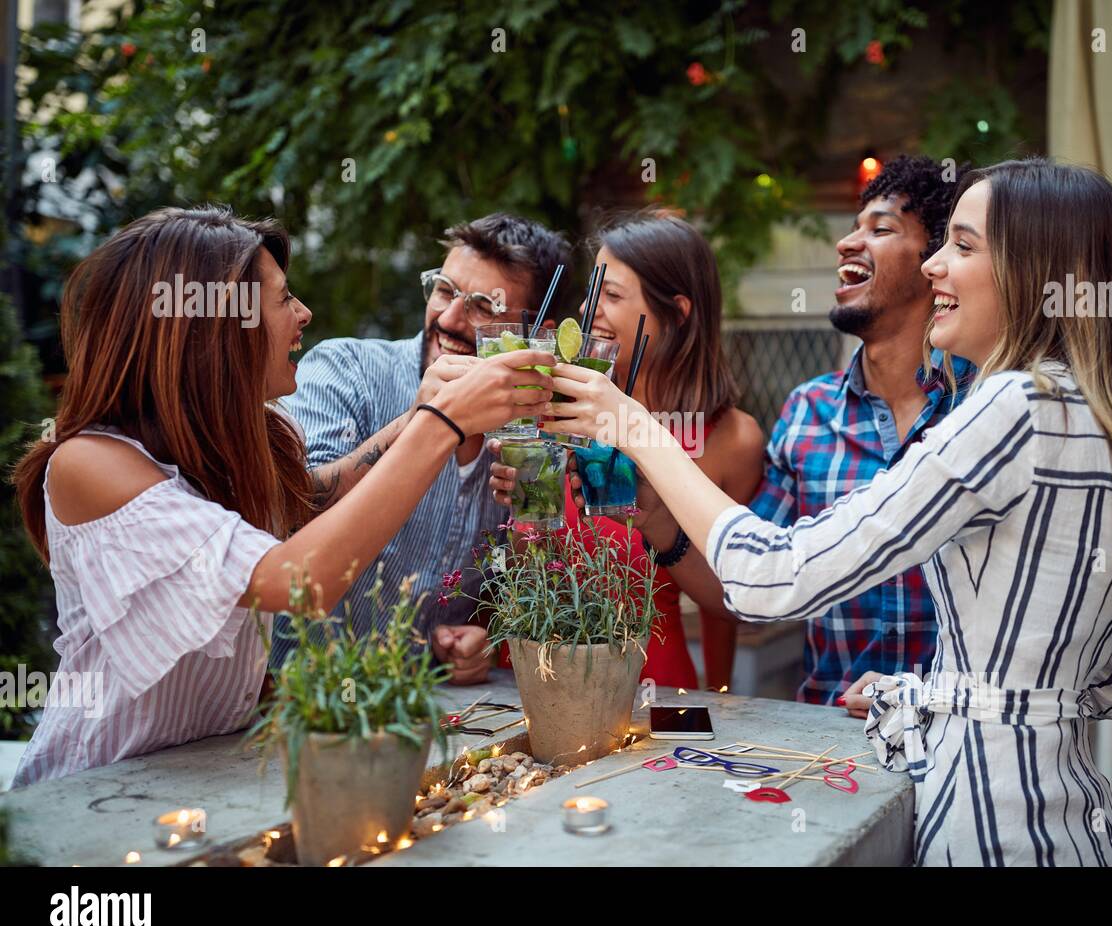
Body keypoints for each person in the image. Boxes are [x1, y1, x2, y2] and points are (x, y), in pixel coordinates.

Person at [541, 158, 1112, 865]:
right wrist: (943, 692)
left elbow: (772, 575)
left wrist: (635, 427)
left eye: (964, 246)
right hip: (1076, 823)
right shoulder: (1107, 416)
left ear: (1034, 273)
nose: (938, 266)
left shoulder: (1011, 407)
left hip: (992, 828)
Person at [10, 206, 552, 786]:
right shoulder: (89, 464)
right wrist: (439, 423)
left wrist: (431, 422)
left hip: (206, 780)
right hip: (93, 794)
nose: (304, 314)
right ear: (214, 326)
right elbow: (301, 581)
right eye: (283, 299)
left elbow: (309, 504)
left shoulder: (247, 444)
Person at [270, 214, 572, 683]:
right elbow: (294, 512)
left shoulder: (535, 436)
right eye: (446, 290)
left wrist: (480, 637)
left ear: (538, 332)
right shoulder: (346, 367)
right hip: (307, 706)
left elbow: (531, 592)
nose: (450, 319)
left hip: (431, 719)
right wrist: (423, 421)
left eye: (482, 308)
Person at [489, 211, 765, 689]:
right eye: (594, 289)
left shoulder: (733, 440)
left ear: (678, 312)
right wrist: (527, 505)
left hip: (649, 688)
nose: (590, 308)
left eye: (612, 295)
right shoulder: (557, 409)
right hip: (536, 678)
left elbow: (727, 606)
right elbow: (525, 567)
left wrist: (727, 705)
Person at [752, 156, 974, 705]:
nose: (848, 243)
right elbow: (756, 581)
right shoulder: (807, 411)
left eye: (880, 229)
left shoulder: (987, 412)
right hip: (827, 759)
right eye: (855, 227)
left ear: (937, 264)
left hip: (957, 750)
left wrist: (921, 697)